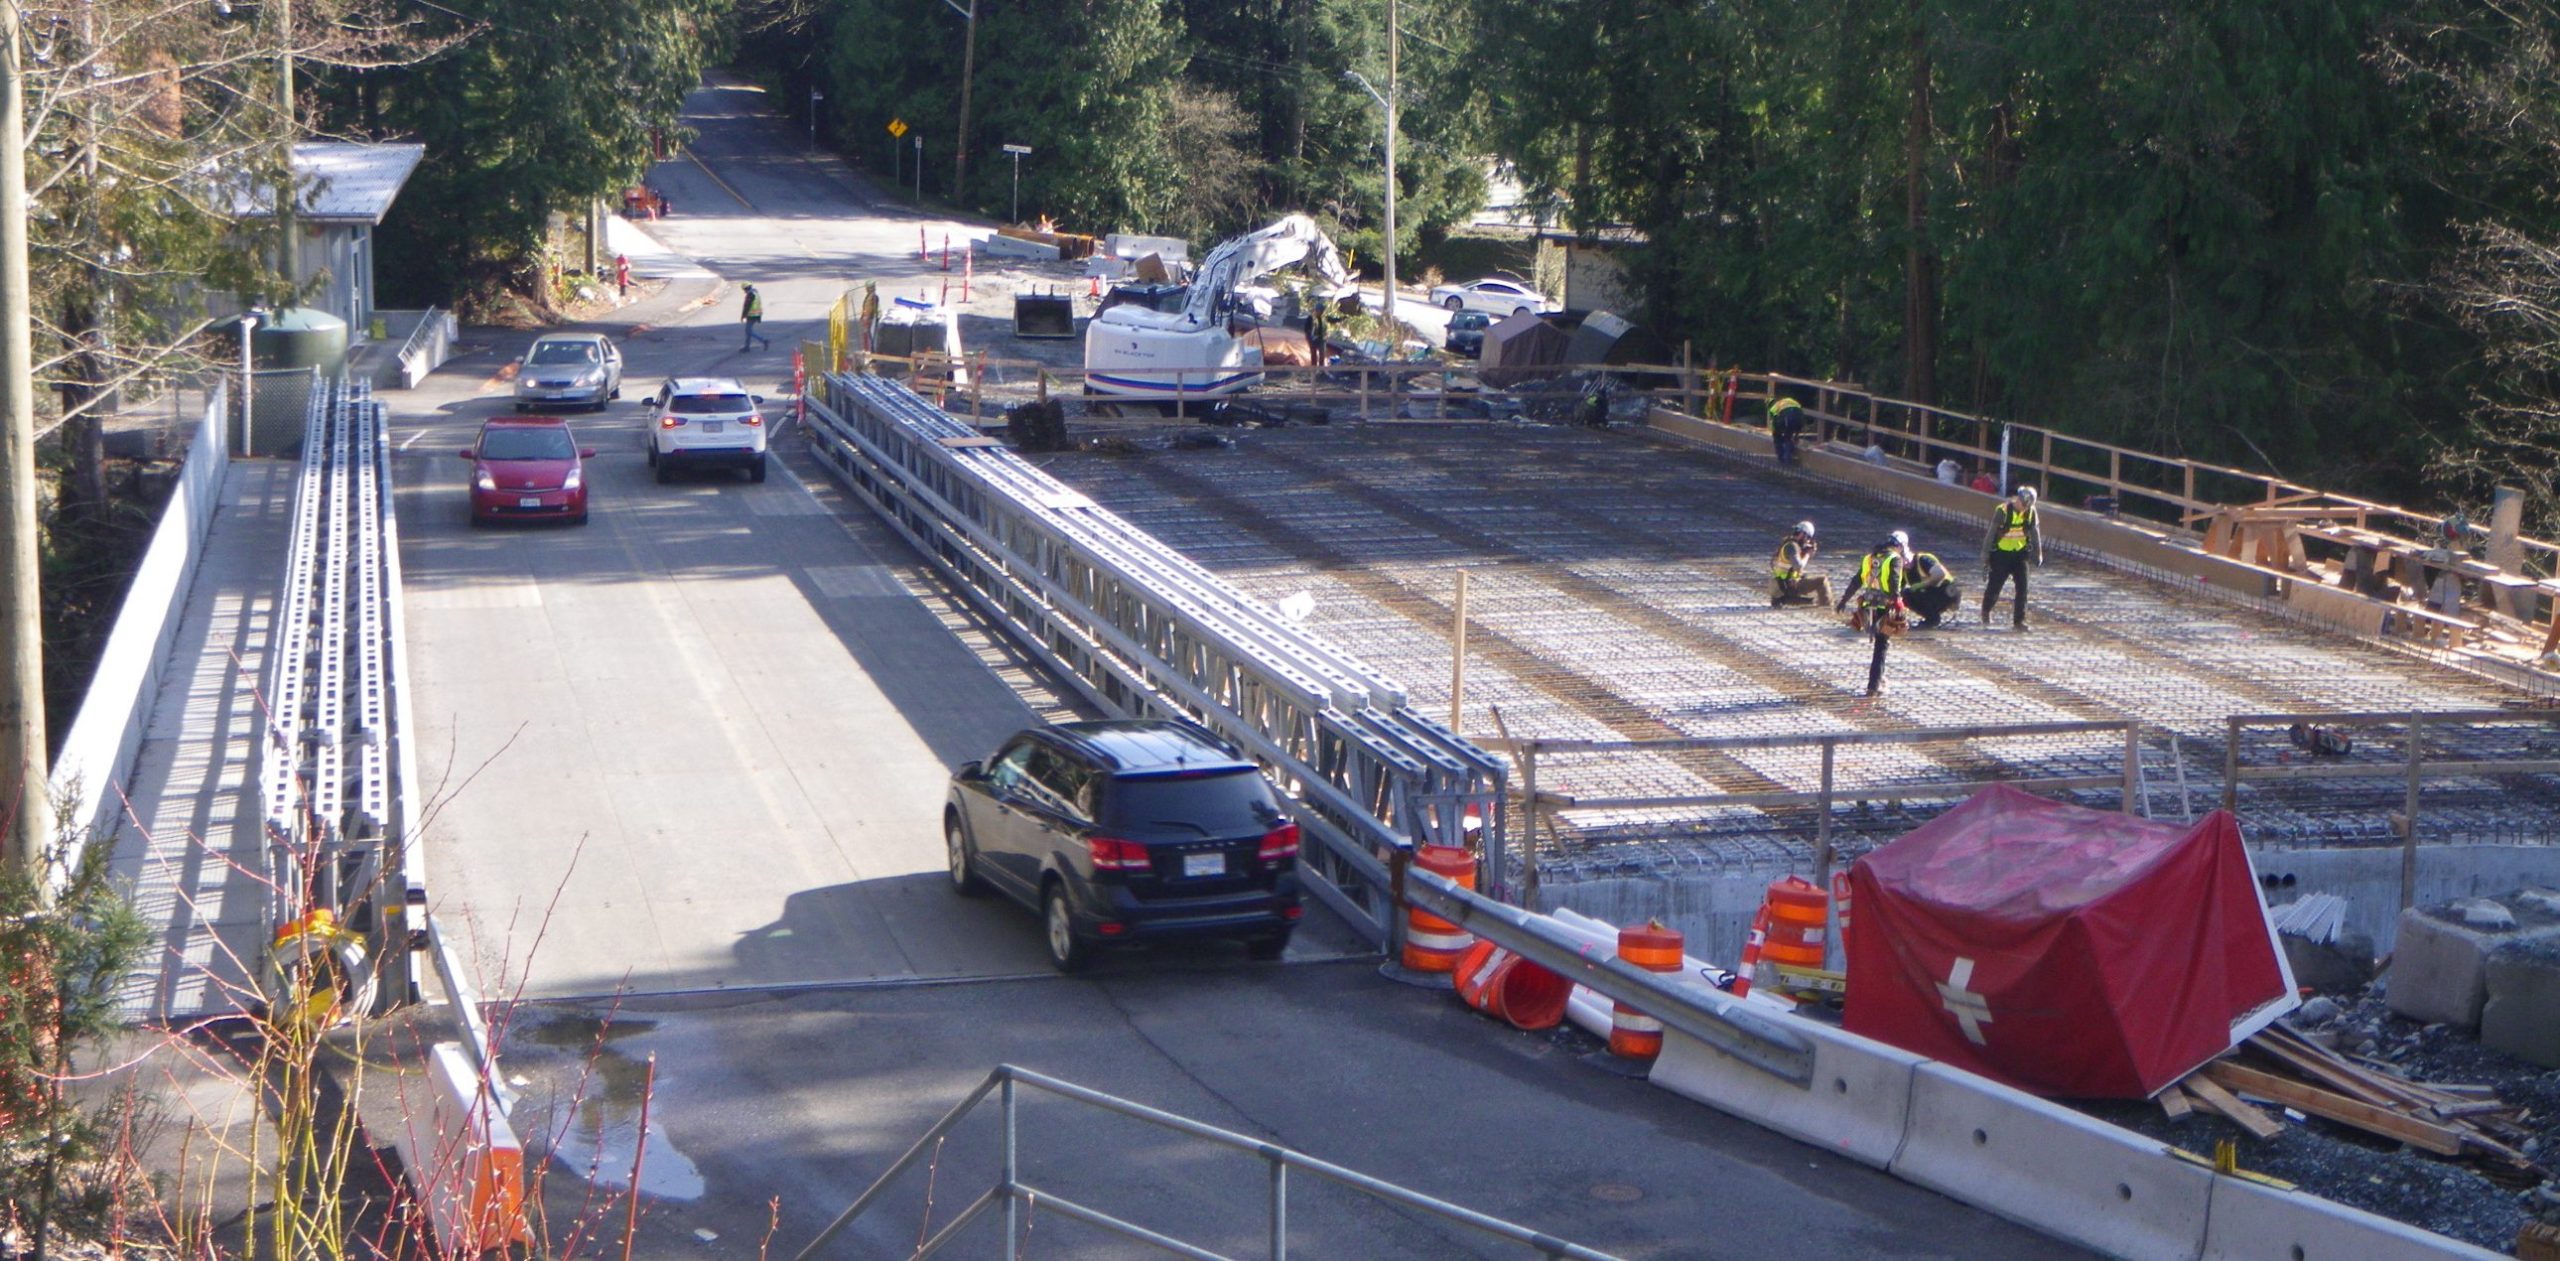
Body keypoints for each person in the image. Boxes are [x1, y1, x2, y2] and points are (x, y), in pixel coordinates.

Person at [1833, 539, 1907, 696]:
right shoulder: (1894, 559)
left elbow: (1857, 580)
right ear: (1898, 547)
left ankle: (1878, 679)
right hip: (1884, 608)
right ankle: (1873, 685)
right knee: (1881, 646)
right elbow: (1894, 581)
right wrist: (1897, 600)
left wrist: (1844, 600)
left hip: (1867, 608)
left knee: (1879, 646)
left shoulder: (1869, 558)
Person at [1981, 485, 2043, 629]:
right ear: (2018, 499)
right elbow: (1991, 533)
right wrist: (1985, 554)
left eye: (2027, 506)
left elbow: (2035, 533)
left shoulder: (2031, 513)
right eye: (2023, 504)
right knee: (1995, 586)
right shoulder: (2002, 511)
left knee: (2023, 587)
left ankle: (2019, 621)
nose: (2024, 508)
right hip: (2001, 554)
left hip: (2020, 554)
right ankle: (1986, 611)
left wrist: (2038, 554)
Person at [1769, 520, 1834, 608]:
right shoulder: (1792, 547)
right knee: (1822, 580)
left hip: (1781, 588)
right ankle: (1827, 608)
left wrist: (1804, 552)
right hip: (1788, 587)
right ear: (1803, 535)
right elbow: (1798, 565)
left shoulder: (1788, 544)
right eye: (1807, 538)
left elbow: (1792, 568)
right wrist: (1807, 554)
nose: (1807, 541)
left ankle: (1793, 600)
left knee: (1806, 579)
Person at [1903, 547, 1961, 629]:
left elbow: (1940, 574)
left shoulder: (1923, 559)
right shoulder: (1904, 571)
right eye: (1901, 560)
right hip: (1934, 594)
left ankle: (1932, 620)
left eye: (1905, 557)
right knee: (1905, 595)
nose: (1905, 562)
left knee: (1914, 592)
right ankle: (1931, 618)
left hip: (1949, 591)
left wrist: (1921, 585)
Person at [1768, 396, 1806, 465]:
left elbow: (1774, 423)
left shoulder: (1773, 408)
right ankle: (1789, 452)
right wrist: (1796, 435)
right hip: (1799, 418)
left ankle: (1783, 459)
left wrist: (1777, 433)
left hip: (1788, 418)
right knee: (1789, 435)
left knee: (1781, 437)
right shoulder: (1789, 400)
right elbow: (1799, 410)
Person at [740, 283, 770, 351]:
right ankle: (747, 347)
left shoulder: (750, 295)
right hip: (757, 315)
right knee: (748, 331)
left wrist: (743, 316)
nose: (744, 292)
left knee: (748, 331)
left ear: (746, 289)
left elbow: (746, 307)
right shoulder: (756, 293)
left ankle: (764, 341)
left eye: (744, 290)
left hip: (751, 316)